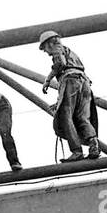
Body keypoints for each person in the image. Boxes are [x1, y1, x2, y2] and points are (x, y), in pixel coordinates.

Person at [39, 29, 100, 162]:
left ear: (49, 43)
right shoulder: (70, 52)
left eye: (44, 48)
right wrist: (58, 102)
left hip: (70, 80)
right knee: (82, 117)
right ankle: (93, 144)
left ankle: (76, 151)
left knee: (64, 117)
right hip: (84, 83)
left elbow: (61, 64)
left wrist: (48, 80)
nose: (46, 52)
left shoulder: (57, 49)